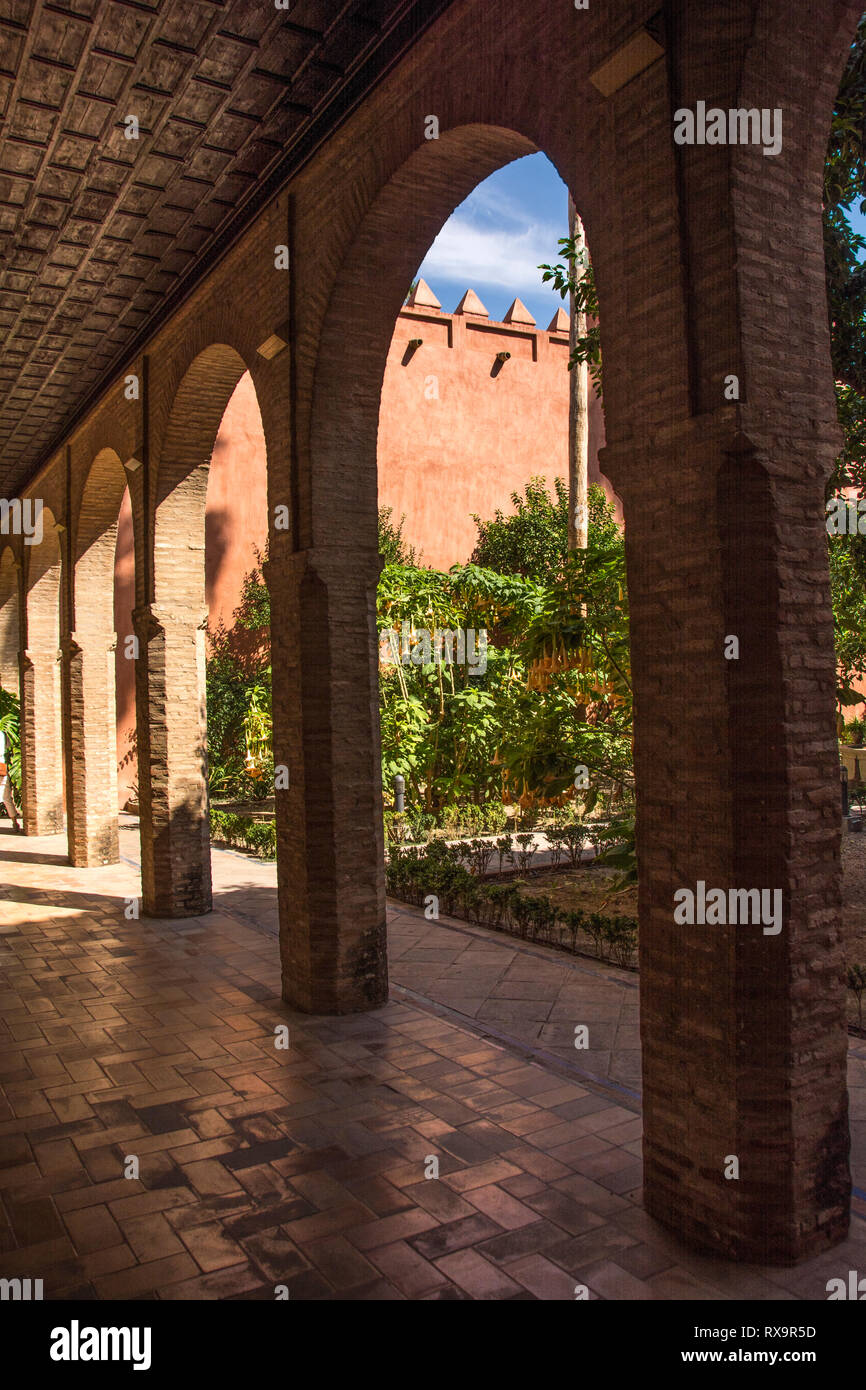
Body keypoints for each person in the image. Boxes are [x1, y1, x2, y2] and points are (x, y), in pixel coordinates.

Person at [0, 727, 21, 832]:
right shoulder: (3, 734)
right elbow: (7, 747)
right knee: (7, 797)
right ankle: (14, 823)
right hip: (2, 767)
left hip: (1, 767)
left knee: (6, 797)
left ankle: (14, 822)